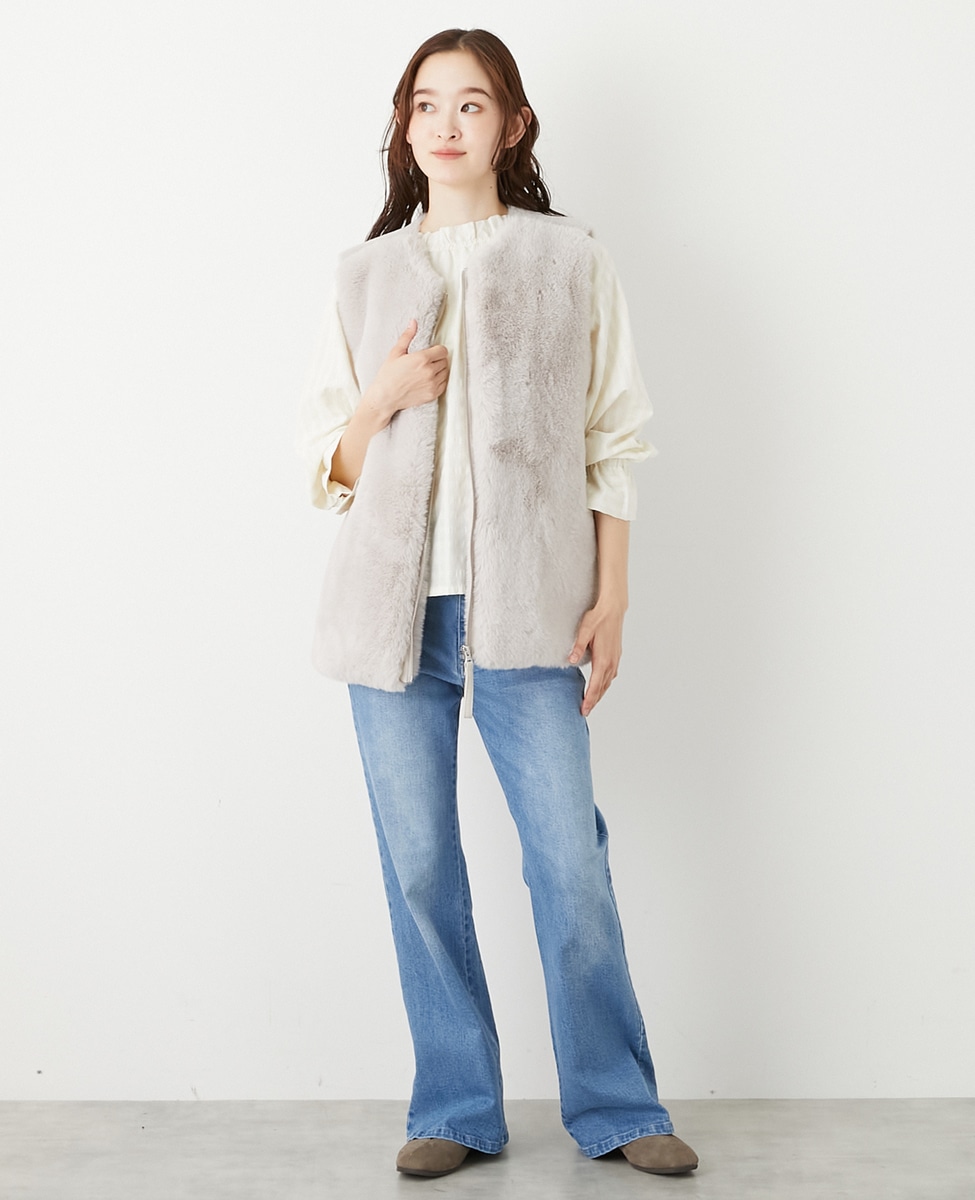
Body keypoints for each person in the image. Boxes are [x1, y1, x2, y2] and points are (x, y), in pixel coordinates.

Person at [297, 27, 698, 1180]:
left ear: (512, 125)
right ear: (403, 125)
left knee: (569, 861)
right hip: (393, 620)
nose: (446, 124)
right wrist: (381, 398)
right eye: (426, 104)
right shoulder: (363, 275)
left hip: (531, 609)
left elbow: (615, 435)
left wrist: (613, 594)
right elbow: (325, 470)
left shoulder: (570, 260)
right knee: (419, 868)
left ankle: (617, 1105)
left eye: (471, 104)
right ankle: (457, 1106)